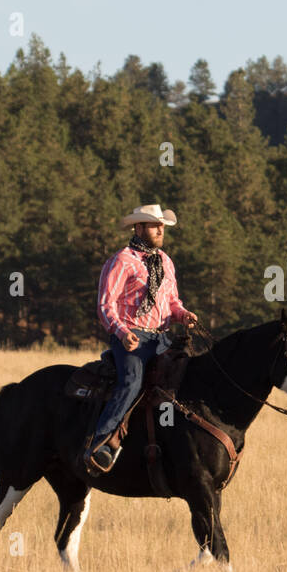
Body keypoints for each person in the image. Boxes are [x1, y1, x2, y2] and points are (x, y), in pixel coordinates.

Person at [84, 203, 198, 475]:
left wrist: (182, 314)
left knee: (187, 377)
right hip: (132, 337)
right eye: (154, 225)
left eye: (162, 226)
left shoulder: (165, 262)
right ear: (138, 227)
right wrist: (123, 333)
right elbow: (105, 305)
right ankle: (101, 442)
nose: (160, 230)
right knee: (132, 381)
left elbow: (172, 301)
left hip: (161, 339)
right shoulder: (121, 260)